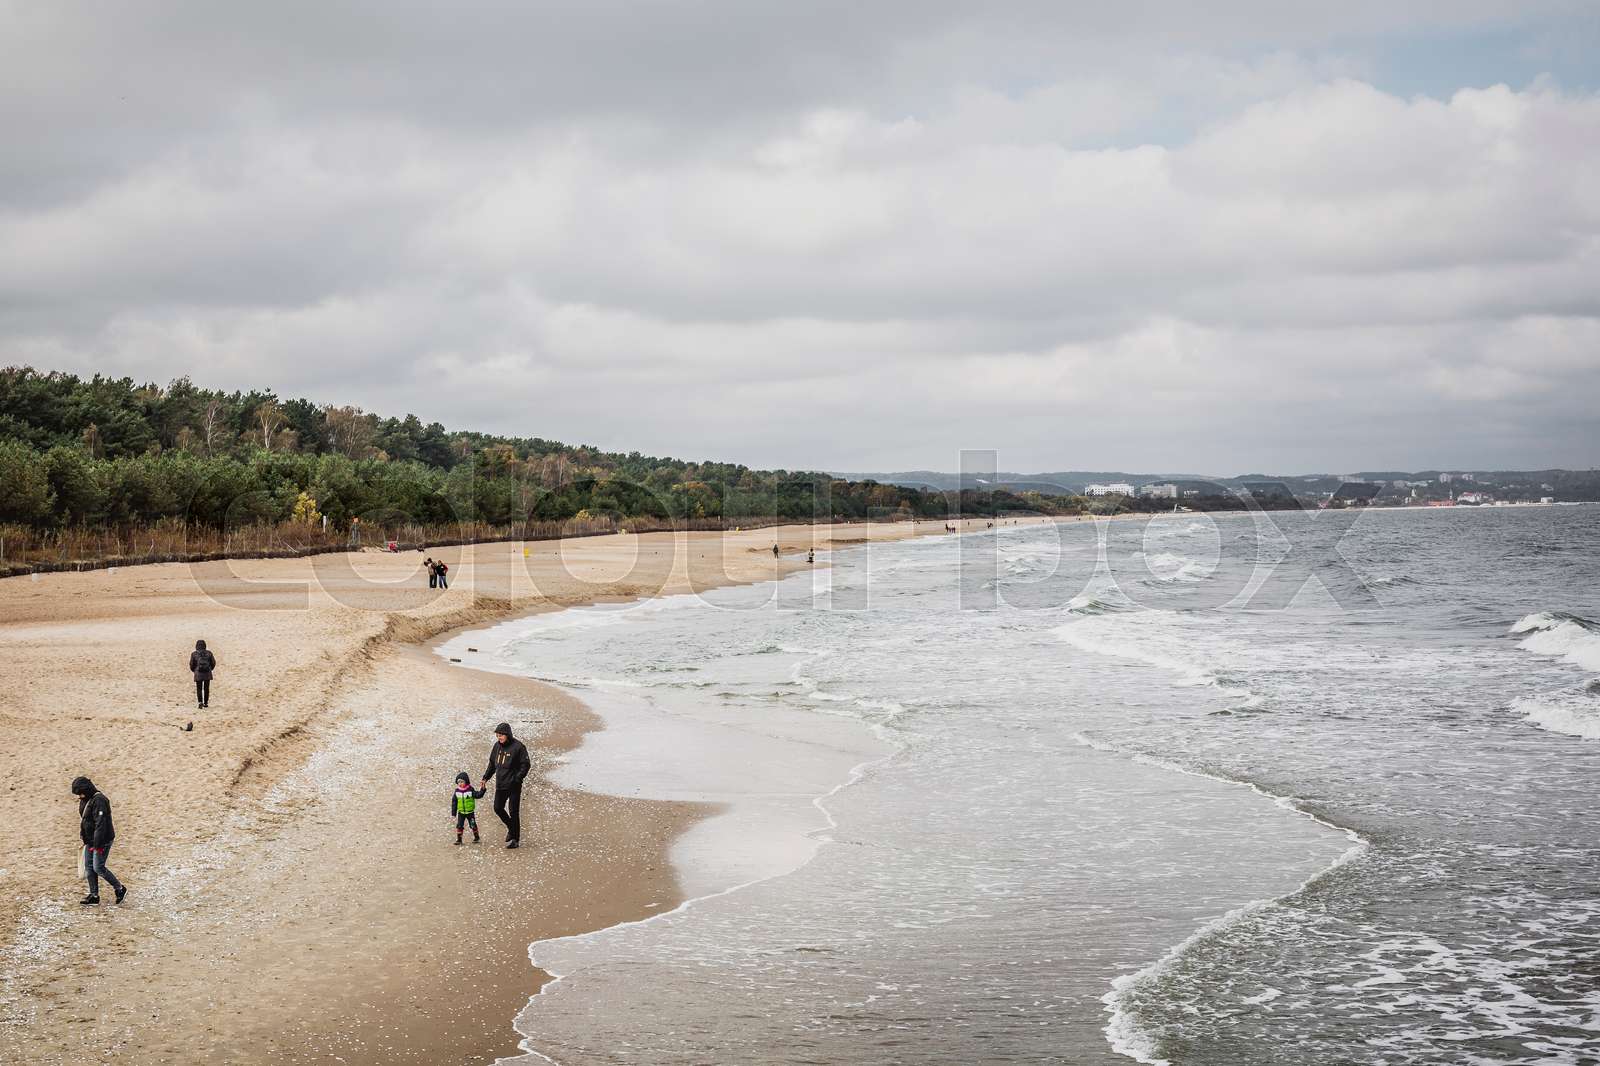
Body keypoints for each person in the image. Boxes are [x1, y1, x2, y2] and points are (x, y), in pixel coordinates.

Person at [71, 776, 125, 905]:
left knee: (98, 867)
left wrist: (97, 845)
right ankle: (94, 895)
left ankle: (120, 888)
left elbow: (101, 825)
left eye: (80, 793)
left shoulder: (100, 801)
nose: (79, 796)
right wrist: (86, 839)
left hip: (102, 840)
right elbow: (86, 821)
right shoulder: (86, 799)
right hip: (90, 840)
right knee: (89, 867)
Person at [480, 722, 531, 848]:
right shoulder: (496, 747)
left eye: (501, 735)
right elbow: (492, 764)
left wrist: (517, 778)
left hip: (514, 785)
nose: (499, 738)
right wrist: (485, 777)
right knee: (497, 808)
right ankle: (511, 828)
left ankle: (515, 840)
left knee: (514, 812)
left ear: (507, 735)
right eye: (497, 736)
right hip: (501, 783)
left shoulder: (519, 747)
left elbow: (526, 765)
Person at [450, 771, 485, 845]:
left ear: (466, 782)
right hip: (461, 812)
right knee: (459, 825)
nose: (460, 783)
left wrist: (483, 789)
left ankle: (476, 837)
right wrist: (453, 813)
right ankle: (459, 840)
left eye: (462, 782)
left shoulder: (470, 790)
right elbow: (454, 802)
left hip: (470, 812)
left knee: (473, 825)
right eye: (458, 782)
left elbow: (478, 795)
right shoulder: (457, 792)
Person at [189, 639, 216, 709]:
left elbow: (191, 664)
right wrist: (210, 669)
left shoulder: (194, 654)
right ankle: (206, 703)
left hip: (198, 673)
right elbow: (213, 663)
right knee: (206, 688)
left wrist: (195, 671)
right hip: (207, 673)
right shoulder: (209, 653)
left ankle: (200, 702)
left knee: (199, 688)